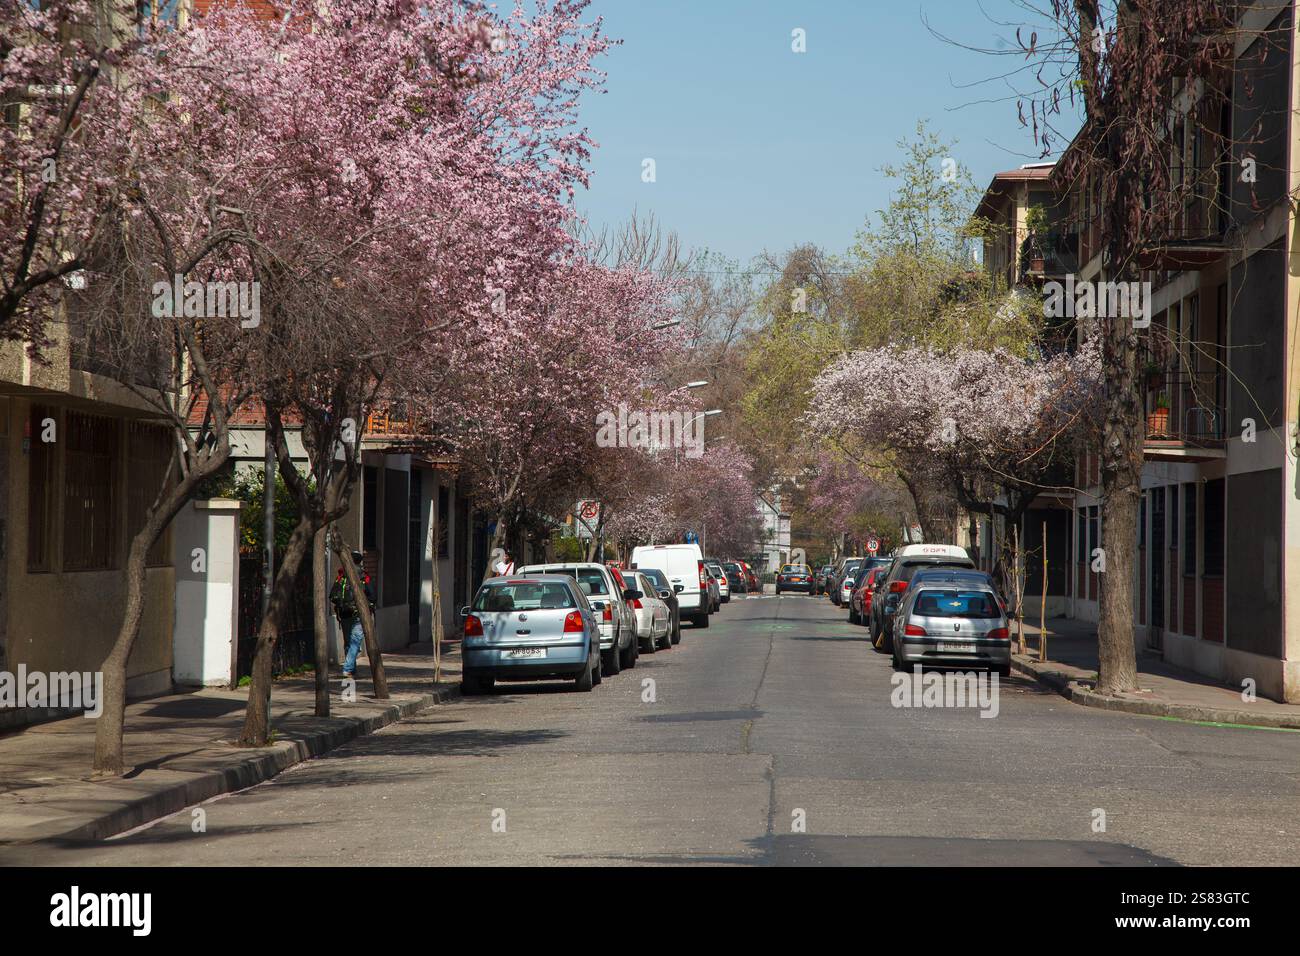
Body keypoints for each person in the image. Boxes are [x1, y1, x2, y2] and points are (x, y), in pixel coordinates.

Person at [331, 550, 375, 679]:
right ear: (360, 561)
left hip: (344, 613)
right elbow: (373, 596)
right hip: (358, 614)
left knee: (348, 642)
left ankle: (351, 670)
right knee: (355, 641)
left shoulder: (341, 575)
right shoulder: (363, 576)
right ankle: (347, 668)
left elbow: (333, 595)